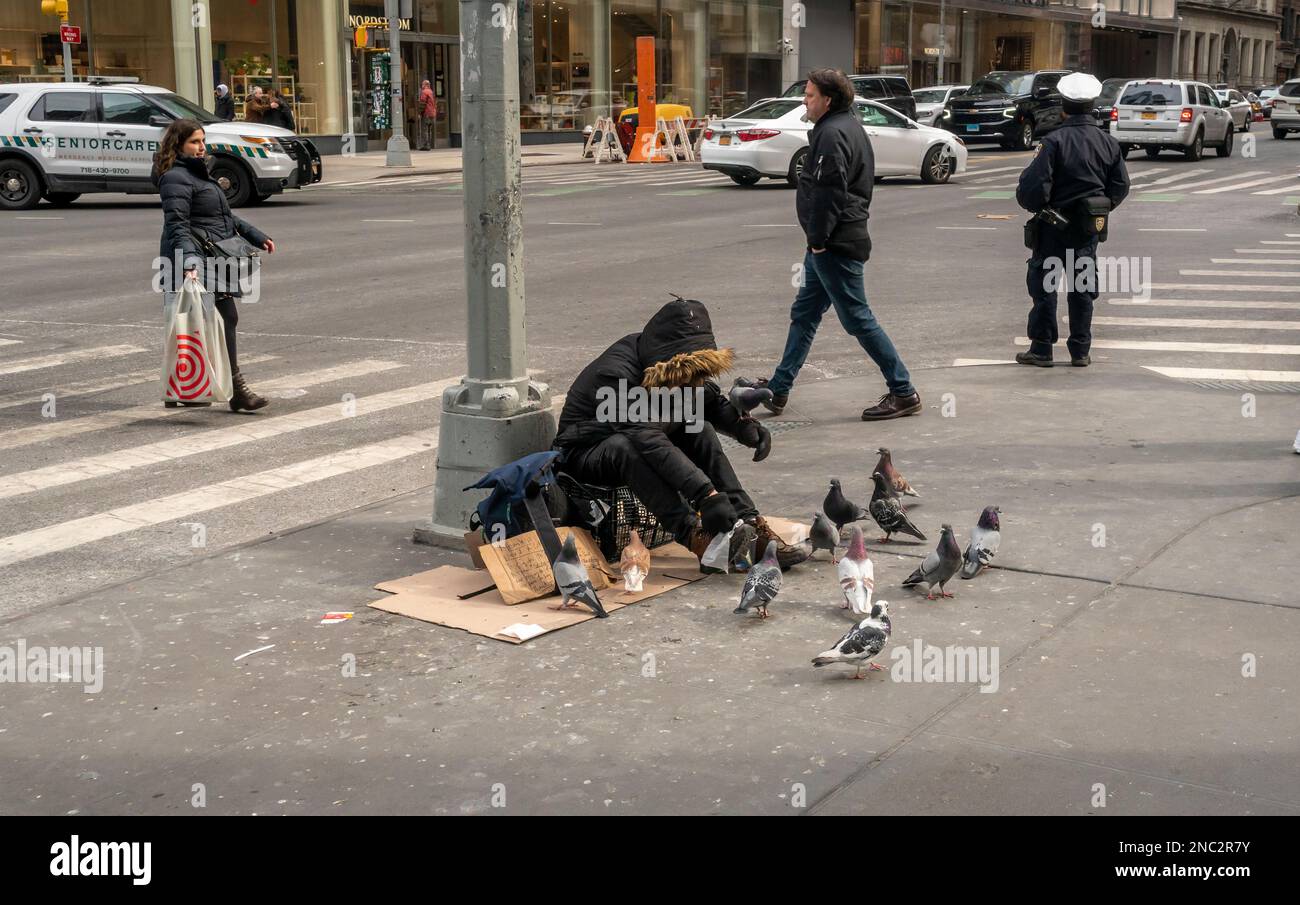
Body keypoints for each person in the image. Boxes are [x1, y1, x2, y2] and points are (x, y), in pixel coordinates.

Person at [554, 297, 809, 572]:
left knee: (697, 425)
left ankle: (750, 524)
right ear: (669, 362)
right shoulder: (615, 376)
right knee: (625, 446)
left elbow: (705, 399)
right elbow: (649, 441)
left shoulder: (670, 364)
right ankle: (698, 538)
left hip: (640, 438)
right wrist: (707, 496)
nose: (690, 382)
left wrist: (743, 428)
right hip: (584, 454)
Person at [749, 69, 921, 422]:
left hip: (834, 242)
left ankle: (903, 391)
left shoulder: (832, 133)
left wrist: (818, 240)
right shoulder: (846, 126)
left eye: (810, 95)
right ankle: (779, 390)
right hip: (831, 240)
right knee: (805, 314)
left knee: (858, 318)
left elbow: (830, 190)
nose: (804, 100)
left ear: (828, 100)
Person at [152, 119, 275, 412]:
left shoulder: (198, 174)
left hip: (213, 257)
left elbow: (224, 218)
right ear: (178, 144)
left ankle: (185, 388)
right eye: (194, 142)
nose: (201, 147)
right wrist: (189, 263)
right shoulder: (175, 178)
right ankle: (235, 392)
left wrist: (256, 236)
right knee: (197, 323)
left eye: (202, 141)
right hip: (192, 259)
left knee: (210, 321)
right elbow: (177, 225)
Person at [1015, 71, 1130, 368]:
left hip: (1053, 229)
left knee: (1045, 288)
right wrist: (1097, 210)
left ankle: (1042, 349)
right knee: (1082, 289)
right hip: (1087, 230)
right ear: (1092, 106)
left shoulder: (1053, 141)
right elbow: (1120, 187)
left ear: (1063, 107)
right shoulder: (1108, 143)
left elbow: (1033, 188)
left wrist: (1040, 206)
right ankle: (1080, 350)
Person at [418, 79, 437, 150]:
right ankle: (429, 144)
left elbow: (422, 104)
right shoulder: (431, 92)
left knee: (424, 129)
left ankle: (426, 145)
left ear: (425, 85)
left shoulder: (424, 92)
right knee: (429, 129)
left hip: (426, 113)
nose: (422, 85)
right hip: (432, 113)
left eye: (422, 84)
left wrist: (420, 113)